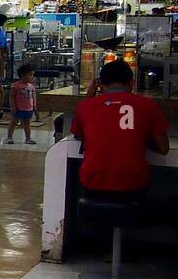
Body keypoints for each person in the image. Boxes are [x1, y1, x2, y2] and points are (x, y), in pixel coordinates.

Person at [71, 60, 169, 201]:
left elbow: (79, 134)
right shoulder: (149, 106)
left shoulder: (85, 106)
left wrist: (88, 96)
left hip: (92, 184)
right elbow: (163, 148)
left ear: (100, 85)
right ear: (131, 83)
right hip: (134, 186)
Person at [6, 62, 39, 145]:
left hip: (29, 108)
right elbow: (12, 97)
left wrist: (35, 107)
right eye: (30, 75)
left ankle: (28, 138)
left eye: (33, 75)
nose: (32, 77)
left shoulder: (31, 87)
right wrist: (12, 107)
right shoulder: (16, 86)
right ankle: (9, 137)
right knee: (14, 122)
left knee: (27, 124)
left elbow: (33, 97)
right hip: (18, 108)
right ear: (23, 75)